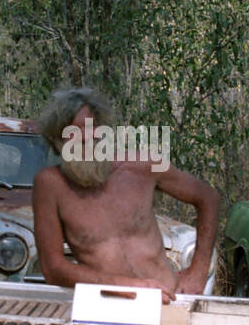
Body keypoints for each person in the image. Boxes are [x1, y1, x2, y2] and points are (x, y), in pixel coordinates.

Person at [32, 86, 219, 303]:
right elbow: (52, 267)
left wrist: (198, 271)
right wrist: (127, 286)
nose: (87, 137)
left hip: (168, 300)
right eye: (75, 132)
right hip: (106, 305)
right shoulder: (50, 184)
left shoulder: (146, 165)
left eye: (92, 127)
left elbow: (208, 197)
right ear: (57, 140)